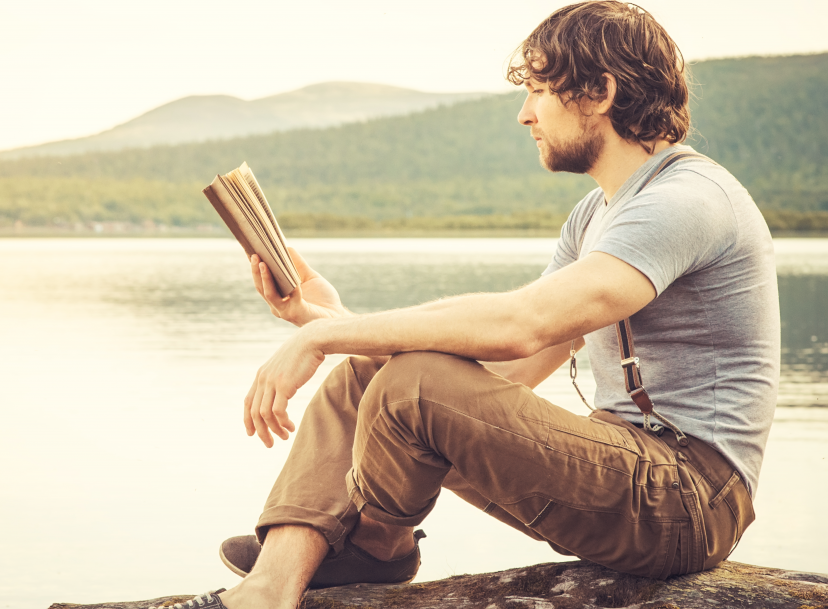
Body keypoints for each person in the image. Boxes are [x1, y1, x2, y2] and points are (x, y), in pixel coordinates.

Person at [153, 2, 779, 608]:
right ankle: (278, 583)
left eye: (537, 90)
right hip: (627, 474)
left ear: (599, 93)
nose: (524, 114)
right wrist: (329, 322)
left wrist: (322, 339)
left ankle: (373, 543)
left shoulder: (687, 200)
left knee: (414, 383)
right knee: (370, 375)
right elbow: (510, 369)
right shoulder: (596, 214)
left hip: (689, 499)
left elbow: (520, 326)